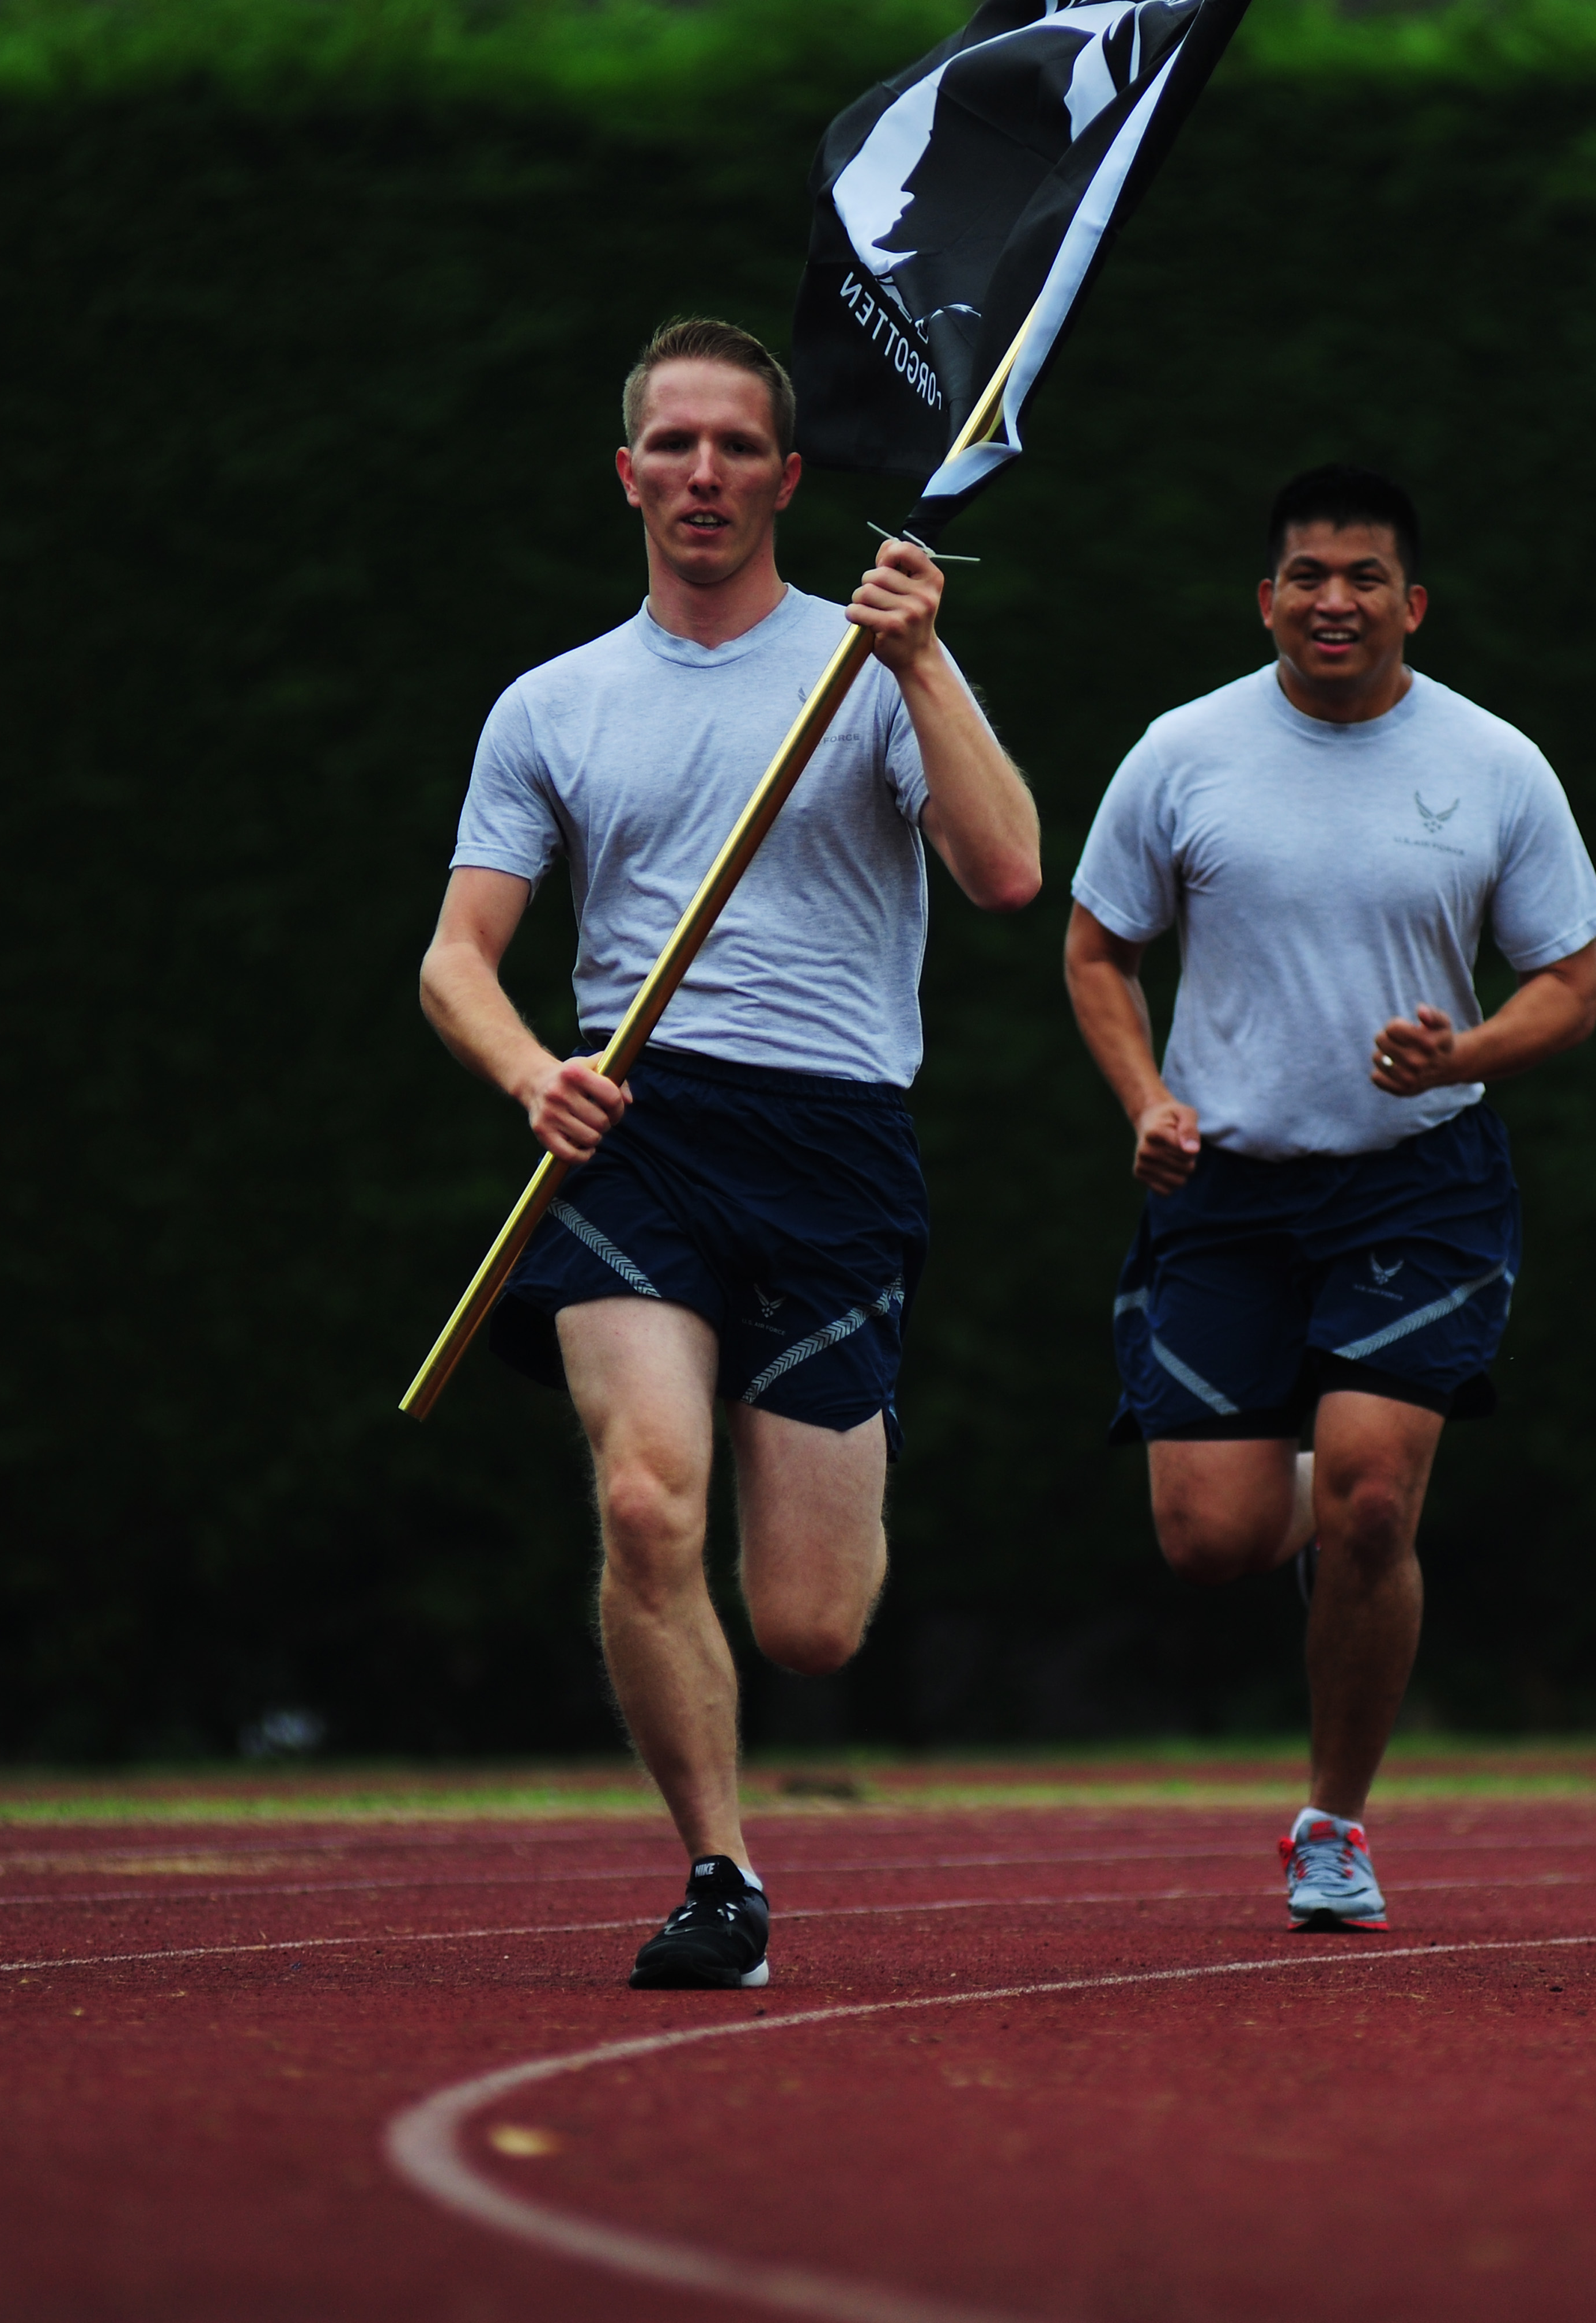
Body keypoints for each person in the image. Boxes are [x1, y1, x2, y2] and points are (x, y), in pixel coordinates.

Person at [421, 317, 1040, 1989]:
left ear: (786, 474)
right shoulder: (554, 704)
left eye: (738, 447)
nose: (704, 473)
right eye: (673, 446)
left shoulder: (868, 659)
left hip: (835, 1143)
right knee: (640, 1497)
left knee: (812, 1623)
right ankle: (719, 1874)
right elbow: (455, 962)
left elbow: (1004, 873)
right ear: (627, 475)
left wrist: (921, 660)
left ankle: (757, 1755)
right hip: (637, 1125)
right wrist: (529, 1072)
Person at [1063, 465, 1596, 1932]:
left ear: (1411, 604)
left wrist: (1467, 1050)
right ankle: (1316, 1487)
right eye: (1307, 575)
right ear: (1267, 600)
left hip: (1417, 1187)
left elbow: (1574, 987)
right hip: (1225, 1194)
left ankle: (1335, 1823)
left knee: (1374, 1495)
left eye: (1365, 577)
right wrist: (1149, 1106)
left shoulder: (1495, 764)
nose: (1334, 601)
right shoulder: (1184, 754)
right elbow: (1097, 950)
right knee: (1211, 1542)